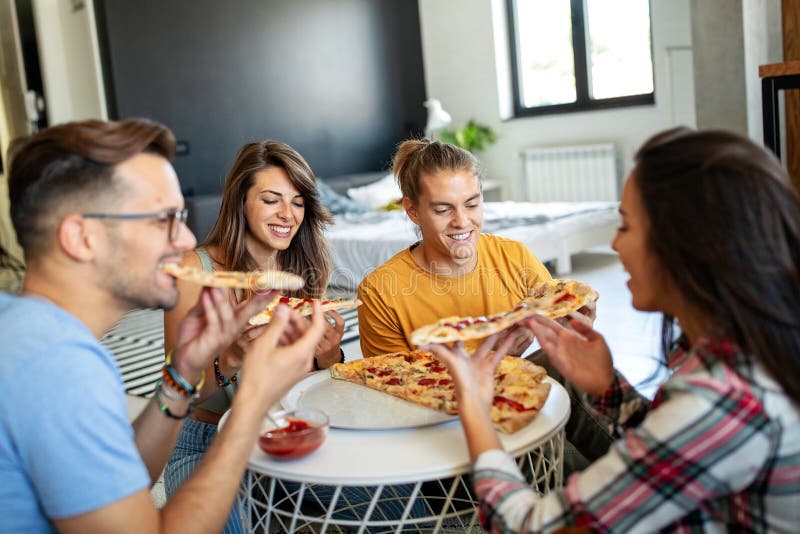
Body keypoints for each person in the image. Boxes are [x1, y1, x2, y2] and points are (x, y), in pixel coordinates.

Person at [424, 127, 800, 531]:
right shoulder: (740, 346)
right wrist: (607, 386)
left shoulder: (720, 398)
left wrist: (475, 412)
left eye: (624, 226)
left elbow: (531, 527)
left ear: (683, 247)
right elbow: (669, 452)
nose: (615, 246)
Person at [0, 119, 326, 533]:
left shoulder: (29, 332)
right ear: (81, 237)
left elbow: (124, 483)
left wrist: (182, 375)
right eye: (163, 220)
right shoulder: (57, 368)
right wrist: (252, 399)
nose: (187, 240)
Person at [357, 139, 612, 473]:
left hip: (510, 391)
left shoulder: (514, 256)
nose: (463, 222)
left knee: (565, 366)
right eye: (443, 209)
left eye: (472, 204)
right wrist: (499, 358)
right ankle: (598, 494)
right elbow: (399, 400)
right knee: (562, 457)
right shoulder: (380, 290)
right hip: (447, 427)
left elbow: (559, 320)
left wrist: (572, 328)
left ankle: (645, 467)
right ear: (413, 211)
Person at [162, 141, 346, 531]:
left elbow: (310, 382)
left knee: (389, 509)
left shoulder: (303, 266)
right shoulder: (196, 270)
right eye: (271, 199)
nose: (288, 215)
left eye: (298, 202)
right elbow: (172, 397)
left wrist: (329, 357)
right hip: (205, 440)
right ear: (240, 201)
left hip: (285, 431)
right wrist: (231, 356)